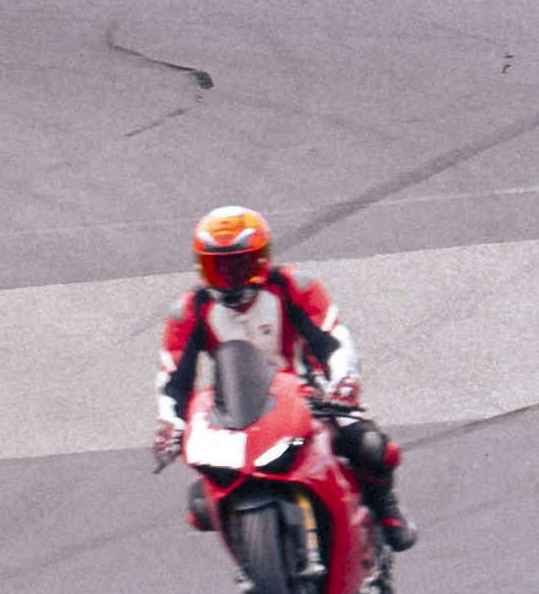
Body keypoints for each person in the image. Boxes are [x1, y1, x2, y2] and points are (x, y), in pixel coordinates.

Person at [151, 203, 414, 552]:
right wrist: (171, 423)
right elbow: (174, 379)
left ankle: (386, 507)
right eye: (219, 267)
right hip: (236, 409)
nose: (229, 278)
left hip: (307, 393)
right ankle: (253, 555)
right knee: (202, 504)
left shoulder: (294, 286)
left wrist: (343, 380)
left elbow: (332, 339)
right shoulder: (190, 310)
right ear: (202, 267)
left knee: (369, 446)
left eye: (239, 264)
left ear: (261, 260)